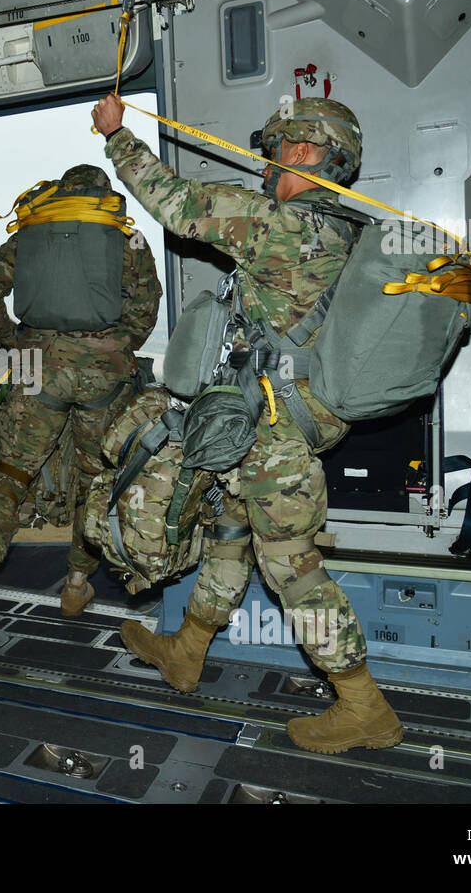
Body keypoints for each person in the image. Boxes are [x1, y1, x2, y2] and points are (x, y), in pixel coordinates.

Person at [90, 94, 403, 755]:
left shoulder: (280, 224)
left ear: (302, 150)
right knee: (230, 537)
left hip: (275, 434)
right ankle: (187, 652)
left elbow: (175, 204)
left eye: (280, 148)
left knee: (291, 568)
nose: (269, 162)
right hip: (276, 418)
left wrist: (118, 137)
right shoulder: (345, 232)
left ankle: (364, 707)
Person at [0, 164, 162, 654]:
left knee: (11, 471)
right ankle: (75, 584)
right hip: (104, 372)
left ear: (62, 193)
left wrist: (12, 342)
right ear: (105, 195)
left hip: (36, 363)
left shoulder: (31, 232)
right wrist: (116, 347)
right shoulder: (126, 239)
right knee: (96, 478)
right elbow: (146, 307)